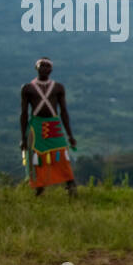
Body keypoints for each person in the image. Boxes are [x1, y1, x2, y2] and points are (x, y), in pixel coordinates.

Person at [20, 57, 77, 196]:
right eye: (42, 66)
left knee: (62, 155)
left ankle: (70, 184)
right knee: (36, 158)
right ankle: (39, 187)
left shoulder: (58, 87)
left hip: (54, 125)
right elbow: (24, 114)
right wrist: (23, 137)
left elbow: (64, 112)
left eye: (47, 66)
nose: (44, 68)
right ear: (36, 68)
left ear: (51, 69)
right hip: (36, 127)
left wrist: (70, 135)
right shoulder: (28, 88)